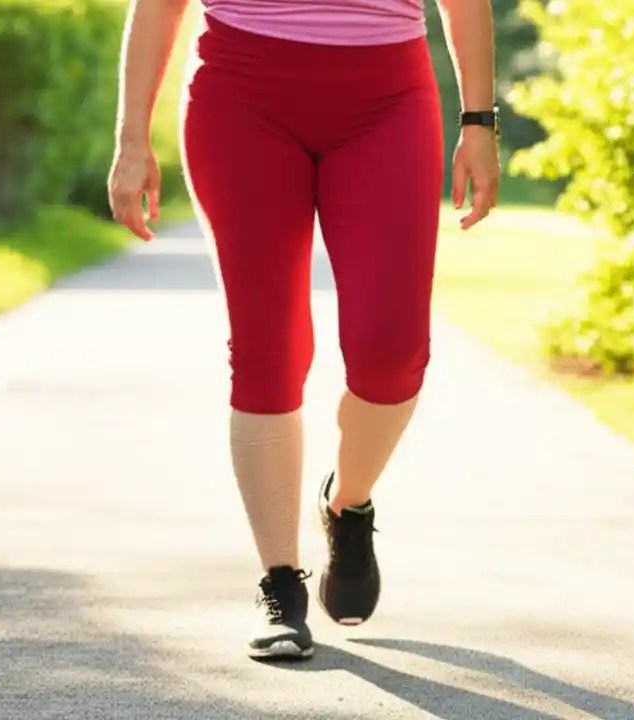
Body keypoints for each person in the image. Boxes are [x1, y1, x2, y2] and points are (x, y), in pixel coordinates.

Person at [107, 0, 499, 659]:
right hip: (240, 90)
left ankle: (349, 503)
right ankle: (279, 586)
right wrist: (130, 138)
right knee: (268, 349)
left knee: (392, 351)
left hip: (387, 97)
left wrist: (480, 123)